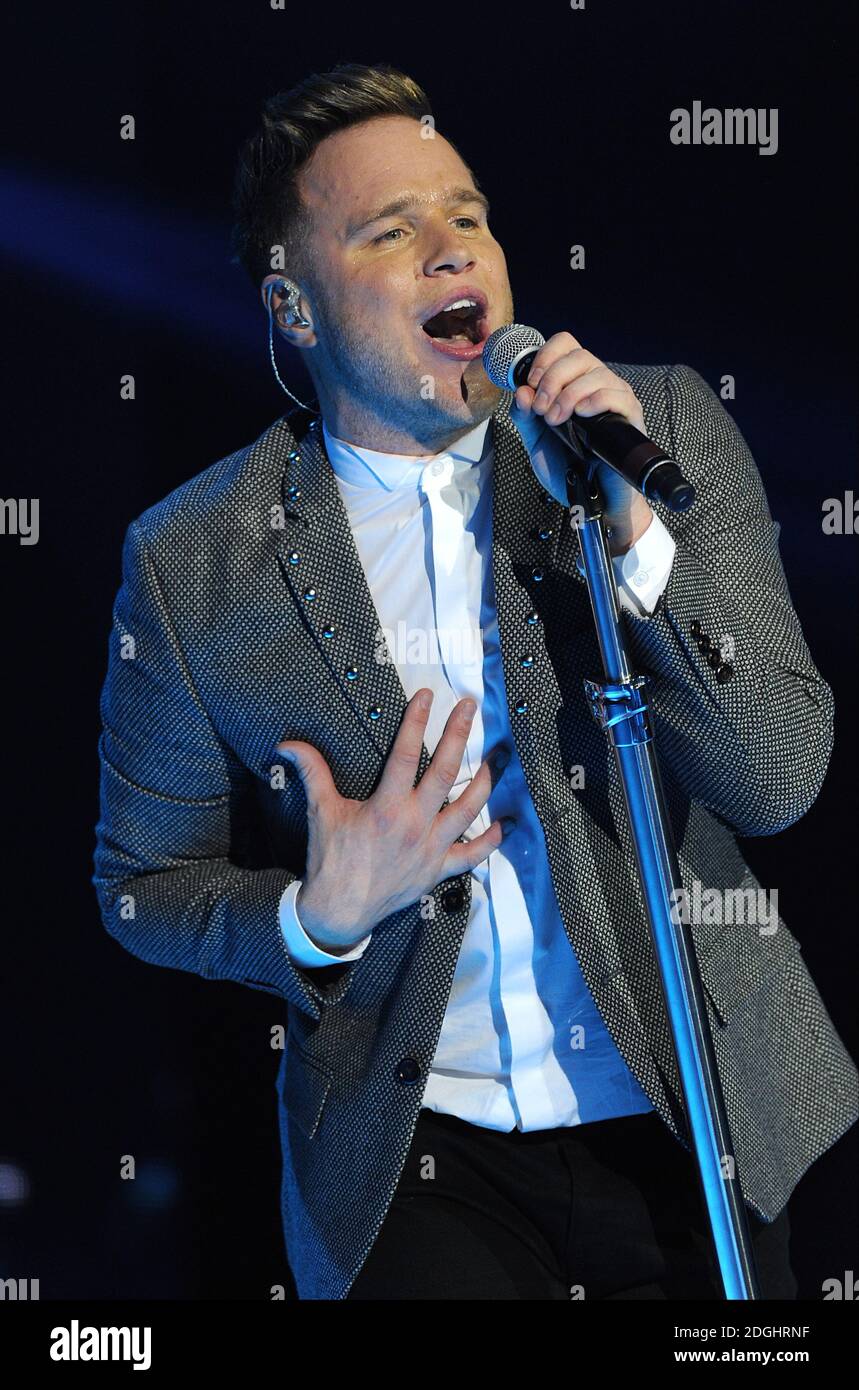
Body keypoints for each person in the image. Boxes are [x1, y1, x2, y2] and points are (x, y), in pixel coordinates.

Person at [93, 62, 858, 1300]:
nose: (453, 250)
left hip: (692, 1109)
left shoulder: (649, 426)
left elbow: (774, 780)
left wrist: (632, 544)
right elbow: (139, 886)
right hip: (419, 1158)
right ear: (293, 306)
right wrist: (318, 913)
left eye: (468, 214)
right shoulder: (196, 560)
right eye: (392, 231)